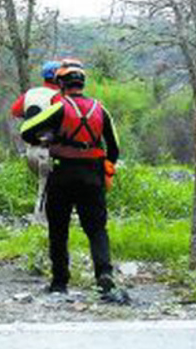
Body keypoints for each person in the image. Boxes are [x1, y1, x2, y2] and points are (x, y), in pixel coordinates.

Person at [19, 62, 124, 302]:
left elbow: (27, 130)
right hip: (93, 176)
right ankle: (104, 277)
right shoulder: (100, 109)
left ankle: (59, 283)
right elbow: (114, 148)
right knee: (97, 229)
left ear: (62, 85)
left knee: (59, 230)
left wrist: (50, 136)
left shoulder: (59, 107)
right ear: (82, 84)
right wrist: (106, 165)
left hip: (62, 173)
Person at [12, 61, 64, 220]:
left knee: (46, 187)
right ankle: (41, 224)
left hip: (31, 151)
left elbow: (15, 111)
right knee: (46, 189)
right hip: (48, 150)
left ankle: (49, 220)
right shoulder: (58, 97)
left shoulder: (30, 93)